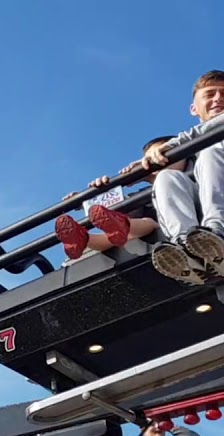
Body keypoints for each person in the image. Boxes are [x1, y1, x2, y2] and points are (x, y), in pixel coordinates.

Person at [139, 70, 224, 283]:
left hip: (217, 219)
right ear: (194, 108)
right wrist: (147, 165)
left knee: (210, 151)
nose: (218, 99)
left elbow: (205, 132)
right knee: (167, 177)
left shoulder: (197, 144)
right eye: (210, 94)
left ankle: (217, 235)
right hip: (203, 211)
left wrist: (174, 144)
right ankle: (188, 250)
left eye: (223, 94)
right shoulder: (192, 156)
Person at [53, 137, 181, 262]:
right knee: (117, 234)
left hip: (168, 227)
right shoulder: (142, 194)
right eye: (148, 159)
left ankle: (120, 225)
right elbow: (121, 206)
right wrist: (92, 197)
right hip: (137, 232)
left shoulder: (190, 178)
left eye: (162, 153)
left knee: (147, 223)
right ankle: (83, 237)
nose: (155, 160)